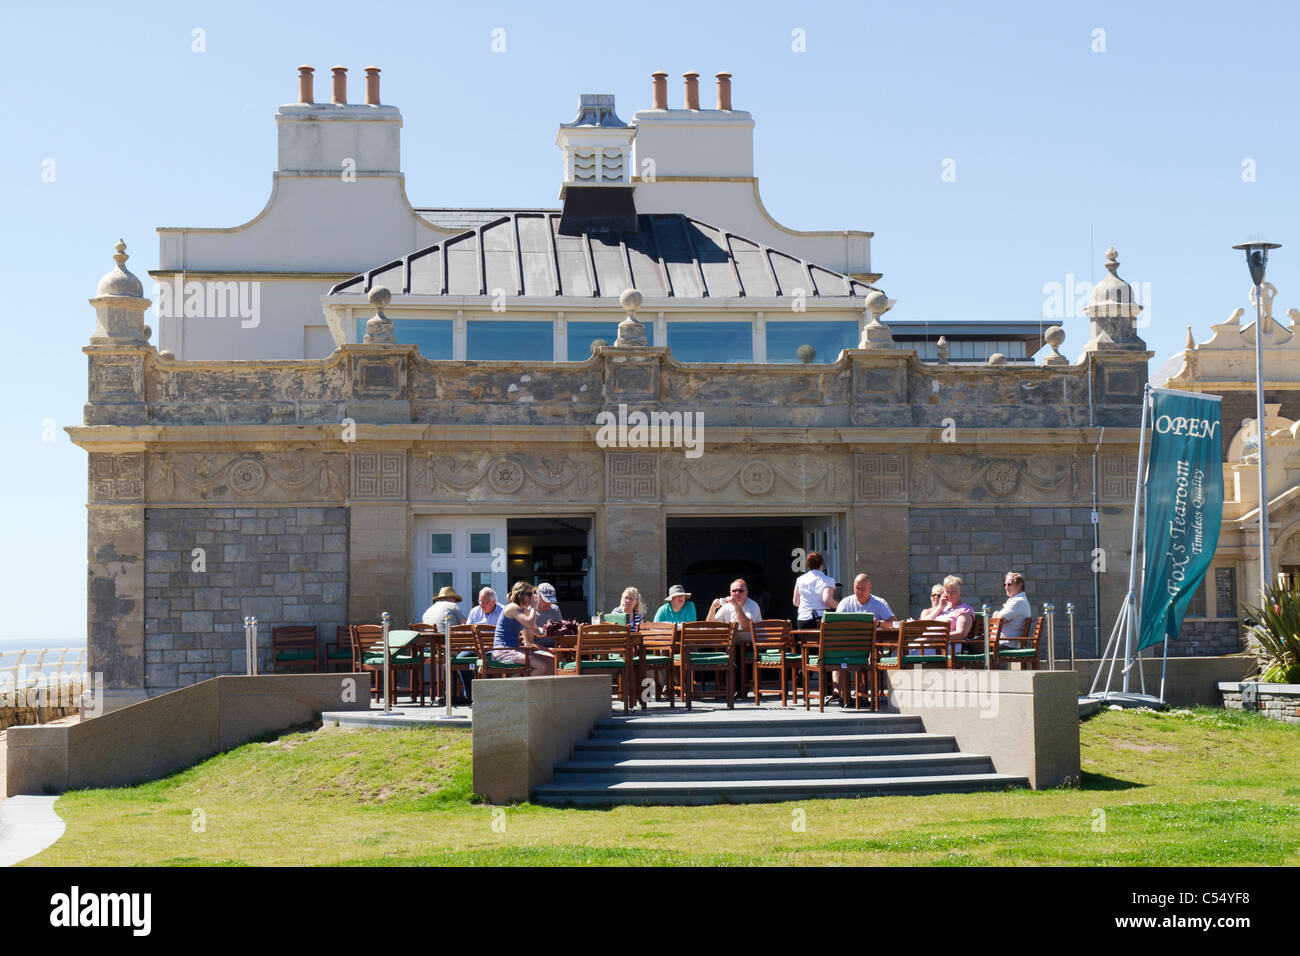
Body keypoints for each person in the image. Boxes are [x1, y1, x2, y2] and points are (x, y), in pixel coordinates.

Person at [707, 578, 762, 698]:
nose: (737, 593)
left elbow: (746, 626)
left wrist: (736, 606)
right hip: (731, 643)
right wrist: (712, 608)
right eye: (734, 591)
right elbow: (710, 625)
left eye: (741, 591)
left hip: (750, 645)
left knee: (736, 651)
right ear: (730, 592)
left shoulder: (752, 605)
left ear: (747, 592)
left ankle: (740, 688)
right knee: (720, 652)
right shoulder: (727, 606)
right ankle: (724, 688)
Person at [492, 580, 555, 676]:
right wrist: (534, 607)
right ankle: (525, 690)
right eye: (530, 594)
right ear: (519, 595)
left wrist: (553, 630)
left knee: (551, 662)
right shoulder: (512, 607)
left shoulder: (523, 609)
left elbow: (534, 629)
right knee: (541, 666)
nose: (532, 597)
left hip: (515, 650)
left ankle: (539, 689)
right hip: (502, 651)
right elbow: (530, 623)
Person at [792, 551, 838, 627]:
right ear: (822, 564)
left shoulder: (800, 579)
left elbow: (796, 602)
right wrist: (840, 606)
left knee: (804, 639)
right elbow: (827, 600)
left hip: (802, 620)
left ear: (808, 565)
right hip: (819, 619)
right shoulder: (828, 580)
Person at [992, 571, 1032, 639]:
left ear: (1019, 585)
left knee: (970, 645)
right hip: (1001, 643)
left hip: (1005, 644)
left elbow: (999, 620)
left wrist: (995, 614)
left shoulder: (1018, 601)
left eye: (1009, 584)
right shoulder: (1016, 600)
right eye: (1005, 585)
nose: (1006, 587)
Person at [934, 575, 975, 639]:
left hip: (947, 644)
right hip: (929, 642)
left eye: (953, 592)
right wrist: (940, 607)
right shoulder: (943, 607)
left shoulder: (965, 610)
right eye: (947, 591)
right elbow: (925, 623)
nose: (949, 595)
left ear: (960, 591)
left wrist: (936, 638)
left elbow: (961, 634)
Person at [533, 582, 563, 646]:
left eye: (550, 601)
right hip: (535, 647)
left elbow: (561, 628)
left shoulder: (555, 609)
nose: (548, 604)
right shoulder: (529, 610)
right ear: (537, 596)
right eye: (545, 601)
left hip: (555, 646)